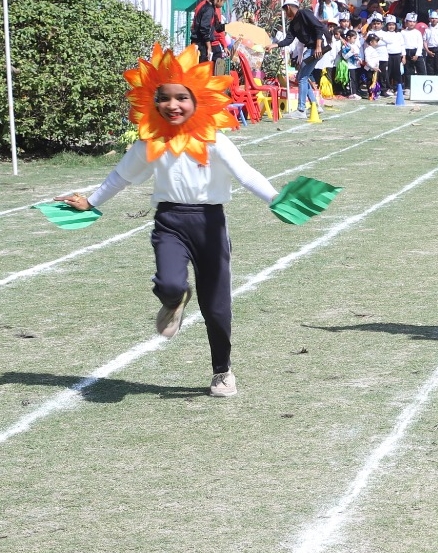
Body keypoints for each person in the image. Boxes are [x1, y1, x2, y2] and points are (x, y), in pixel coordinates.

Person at [57, 45, 320, 397]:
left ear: (199, 101)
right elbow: (119, 177)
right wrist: (90, 200)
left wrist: (276, 199)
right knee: (169, 282)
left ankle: (222, 370)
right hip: (169, 222)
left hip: (211, 224)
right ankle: (175, 299)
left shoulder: (214, 141)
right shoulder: (149, 144)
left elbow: (246, 174)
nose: (173, 105)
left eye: (182, 97)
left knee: (216, 306)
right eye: (164, 98)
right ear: (153, 102)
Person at [273, 0, 327, 114]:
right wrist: (275, 45)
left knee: (302, 77)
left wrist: (318, 46)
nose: (285, 13)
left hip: (316, 48)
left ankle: (301, 109)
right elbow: (288, 40)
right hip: (310, 49)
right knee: (302, 77)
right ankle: (315, 106)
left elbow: (319, 27)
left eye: (285, 10)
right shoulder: (293, 24)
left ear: (288, 7)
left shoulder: (304, 13)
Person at [190, 0, 226, 64]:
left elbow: (215, 26)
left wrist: (229, 27)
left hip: (204, 43)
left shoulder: (208, 6)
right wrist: (209, 47)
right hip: (203, 44)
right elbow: (204, 28)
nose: (222, 4)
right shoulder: (208, 9)